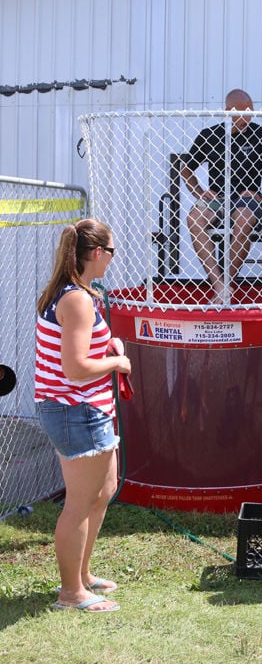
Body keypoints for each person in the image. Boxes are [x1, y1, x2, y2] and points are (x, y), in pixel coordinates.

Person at [34, 219, 132, 612]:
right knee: (79, 502)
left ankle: (82, 575)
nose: (111, 260)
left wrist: (106, 344)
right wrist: (115, 361)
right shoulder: (75, 299)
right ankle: (70, 592)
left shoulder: (73, 294)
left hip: (84, 409)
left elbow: (77, 348)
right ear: (96, 253)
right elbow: (74, 369)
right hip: (75, 411)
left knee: (103, 491)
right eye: (111, 252)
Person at [180, 89, 262, 301]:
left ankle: (227, 284)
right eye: (244, 112)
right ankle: (218, 285)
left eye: (251, 112)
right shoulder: (210, 135)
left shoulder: (259, 134)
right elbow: (185, 168)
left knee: (243, 220)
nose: (248, 118)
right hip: (217, 197)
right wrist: (199, 192)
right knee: (194, 218)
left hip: (246, 199)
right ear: (227, 111)